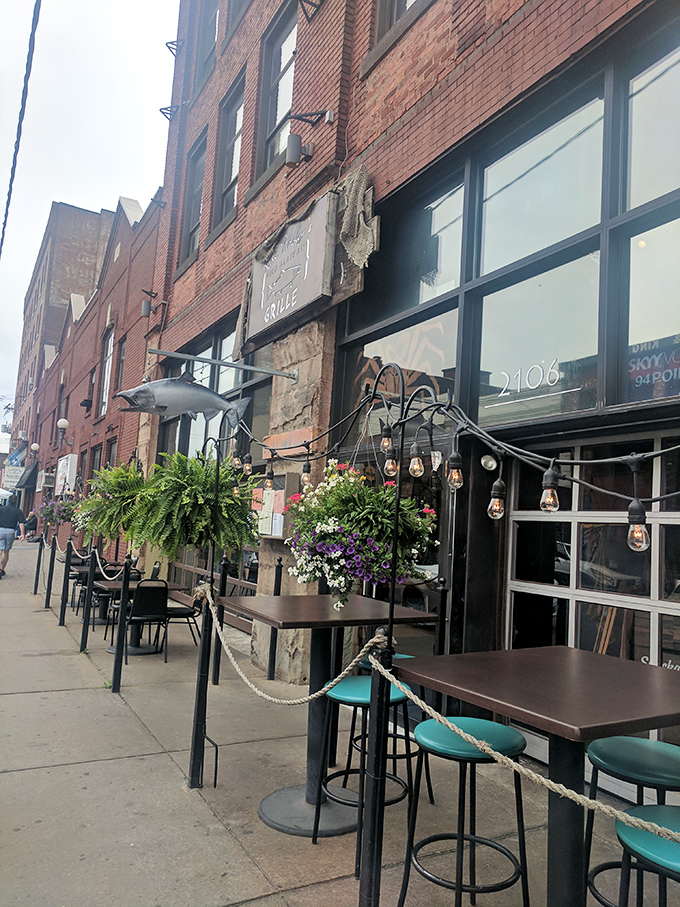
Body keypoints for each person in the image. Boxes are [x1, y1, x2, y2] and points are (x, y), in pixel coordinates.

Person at [0, 495, 25, 578]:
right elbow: (21, 523)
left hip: (0, 529)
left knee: (0, 550)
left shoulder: (1, 509)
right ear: (16, 501)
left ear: (9, 500)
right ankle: (1, 569)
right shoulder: (18, 511)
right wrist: (22, 534)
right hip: (10, 531)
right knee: (6, 551)